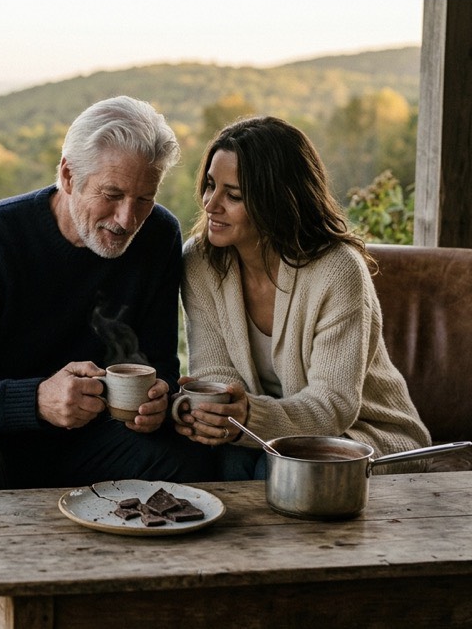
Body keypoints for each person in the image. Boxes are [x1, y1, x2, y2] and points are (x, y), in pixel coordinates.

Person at [0, 95, 215, 626]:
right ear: (68, 176)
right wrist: (36, 400)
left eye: (144, 197)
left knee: (190, 462)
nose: (127, 218)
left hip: (84, 442)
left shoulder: (158, 234)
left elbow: (156, 363)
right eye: (111, 195)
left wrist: (157, 403)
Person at [176, 115, 431, 480]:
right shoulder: (200, 261)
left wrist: (248, 417)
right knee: (211, 458)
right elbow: (215, 374)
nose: (210, 204)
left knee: (275, 468)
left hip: (363, 435)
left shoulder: (337, 270)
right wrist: (208, 414)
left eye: (233, 195)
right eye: (210, 185)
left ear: (275, 202)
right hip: (257, 437)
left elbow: (334, 406)